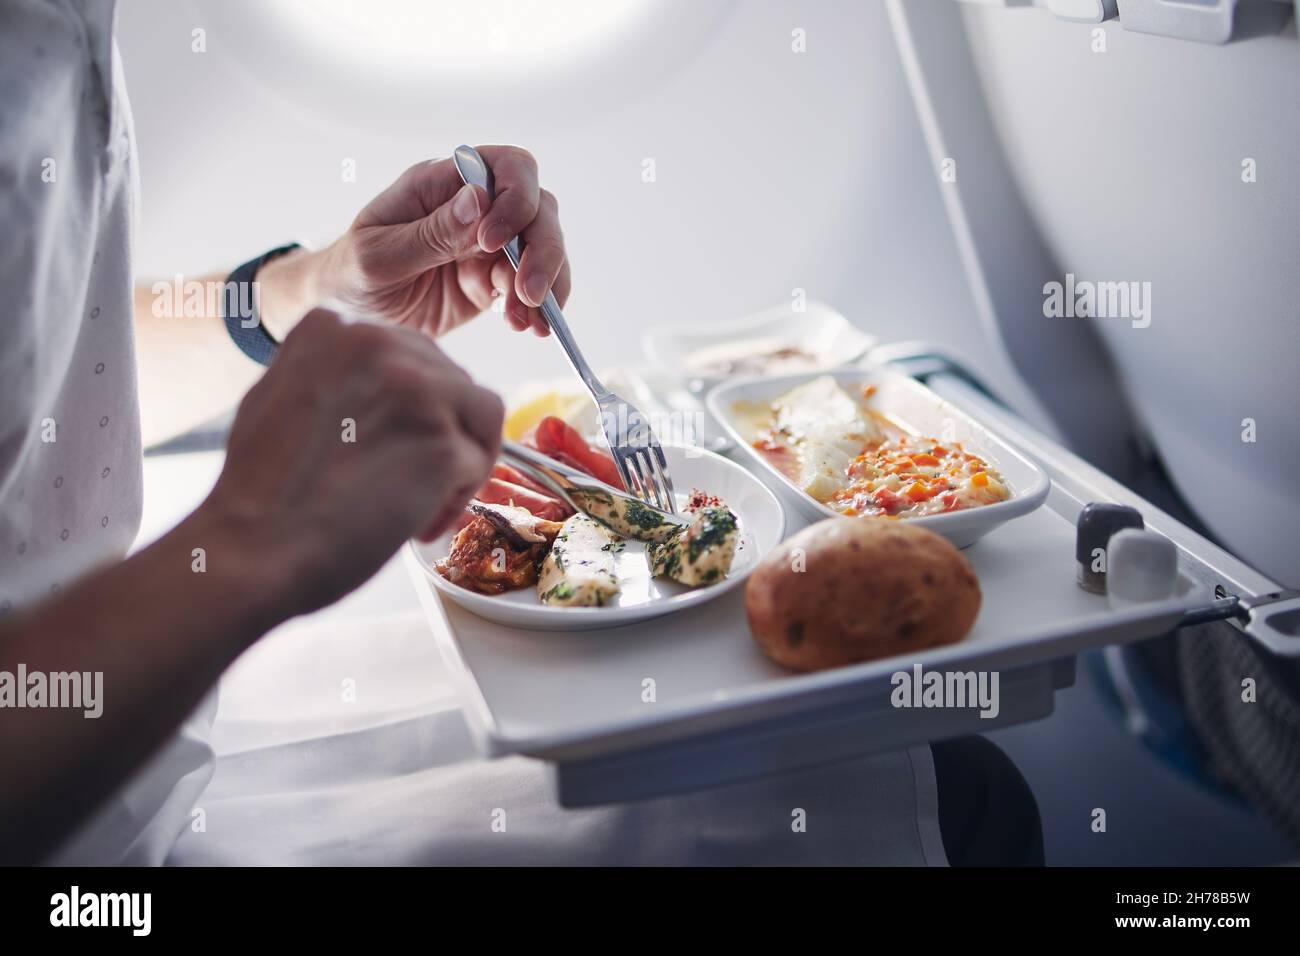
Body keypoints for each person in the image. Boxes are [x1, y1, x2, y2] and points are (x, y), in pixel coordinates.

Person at [0, 0, 1036, 866]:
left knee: (939, 760)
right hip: (88, 822)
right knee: (962, 809)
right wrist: (246, 547)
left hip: (161, 697)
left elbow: (58, 349)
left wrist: (315, 287)